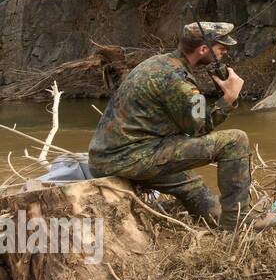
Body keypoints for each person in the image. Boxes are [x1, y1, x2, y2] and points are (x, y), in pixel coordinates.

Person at [89, 21, 261, 230]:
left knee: (192, 185)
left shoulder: (160, 62)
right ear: (204, 49)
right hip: (129, 158)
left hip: (109, 157)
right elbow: (199, 128)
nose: (224, 53)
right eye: (221, 49)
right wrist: (228, 99)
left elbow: (184, 124)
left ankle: (218, 222)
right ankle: (238, 223)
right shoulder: (179, 82)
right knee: (235, 140)